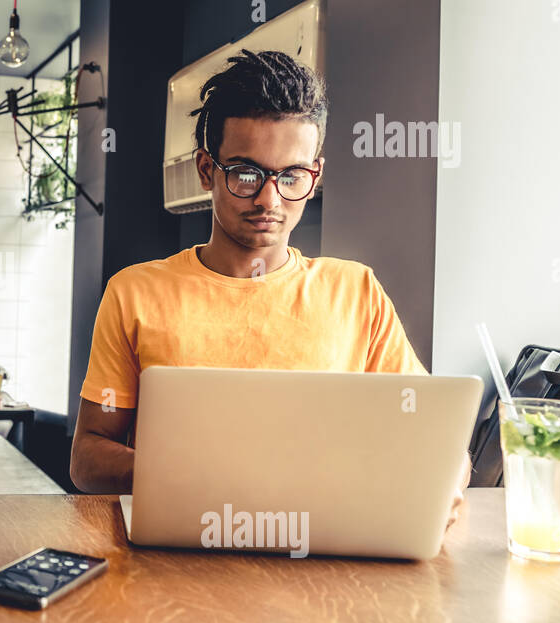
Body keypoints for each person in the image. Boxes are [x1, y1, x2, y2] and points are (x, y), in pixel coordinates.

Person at [69, 49, 469, 531]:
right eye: (246, 173)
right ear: (205, 170)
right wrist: (182, 476)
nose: (268, 199)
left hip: (323, 556)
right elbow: (87, 459)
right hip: (181, 555)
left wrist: (447, 476)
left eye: (291, 176)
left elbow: (433, 435)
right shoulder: (135, 292)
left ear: (314, 176)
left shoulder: (356, 291)